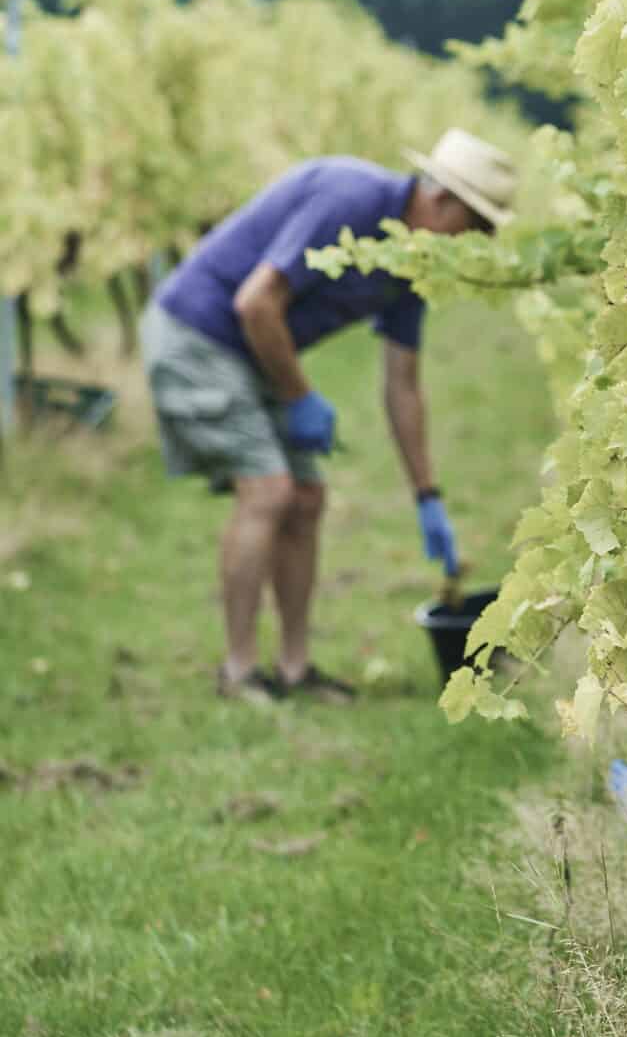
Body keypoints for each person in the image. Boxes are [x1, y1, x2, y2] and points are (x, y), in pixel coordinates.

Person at [140, 128, 516, 706]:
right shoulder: (351, 197)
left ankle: (295, 669)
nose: (476, 245)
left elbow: (403, 382)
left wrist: (427, 495)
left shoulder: (413, 262)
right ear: (443, 202)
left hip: (257, 348)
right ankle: (239, 672)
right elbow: (255, 302)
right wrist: (299, 397)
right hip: (199, 334)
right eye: (476, 228)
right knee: (268, 491)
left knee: (308, 497)